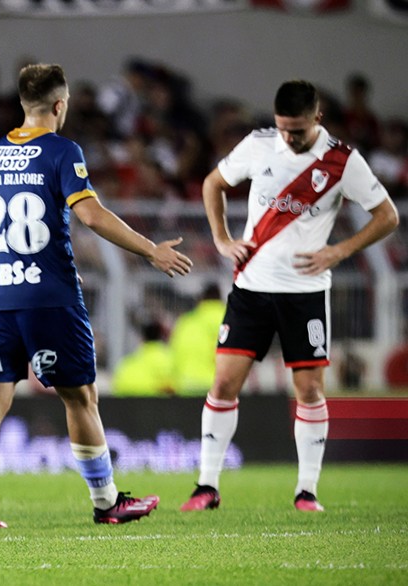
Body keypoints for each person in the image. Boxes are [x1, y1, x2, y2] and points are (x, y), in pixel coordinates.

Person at [0, 63, 192, 529]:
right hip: (49, 294)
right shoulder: (63, 150)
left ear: (22, 103)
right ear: (60, 104)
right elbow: (91, 215)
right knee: (80, 396)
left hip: (0, 291)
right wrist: (150, 250)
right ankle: (106, 502)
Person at [180, 80, 399, 513]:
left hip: (305, 293)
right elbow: (212, 183)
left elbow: (387, 215)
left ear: (317, 118)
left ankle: (306, 491)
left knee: (310, 389)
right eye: (283, 128)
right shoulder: (259, 144)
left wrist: (340, 250)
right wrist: (222, 239)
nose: (289, 138)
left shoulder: (342, 161)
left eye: (297, 130)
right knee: (223, 383)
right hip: (251, 287)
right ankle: (206, 487)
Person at [168, 282, 226, 396]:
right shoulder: (230, 319)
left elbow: (173, 356)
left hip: (186, 387)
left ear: (201, 299)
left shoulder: (185, 322)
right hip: (219, 388)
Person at [111, 320, 175, 397]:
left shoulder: (127, 363)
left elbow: (116, 386)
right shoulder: (168, 359)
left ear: (142, 339)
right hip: (153, 402)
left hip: (125, 401)